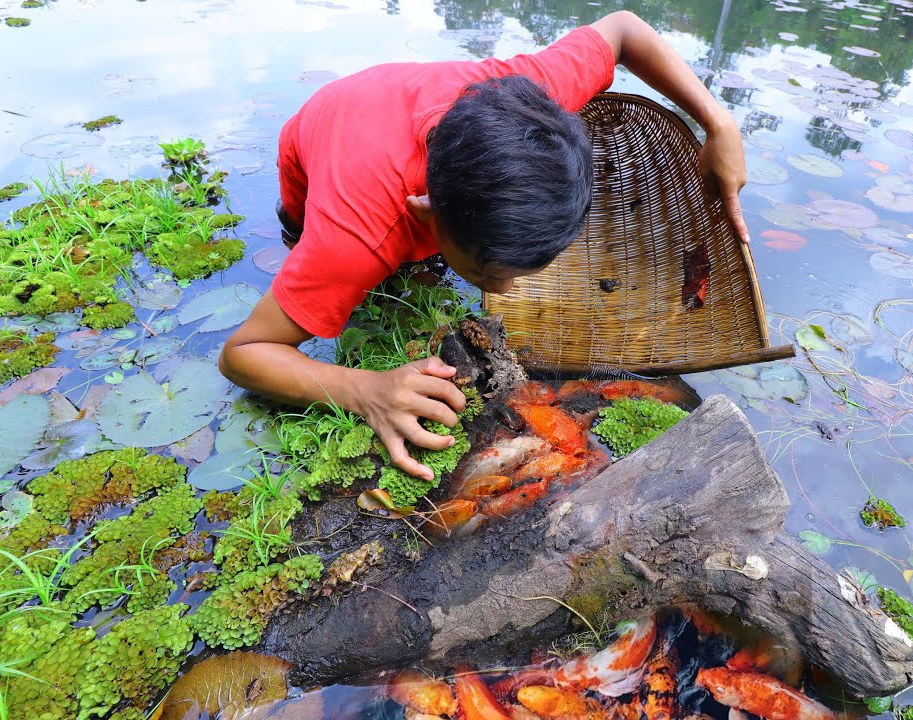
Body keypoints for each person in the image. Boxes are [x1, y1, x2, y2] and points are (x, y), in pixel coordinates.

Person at [219, 10, 749, 481]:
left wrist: (718, 122)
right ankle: (322, 235)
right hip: (320, 130)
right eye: (491, 271)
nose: (507, 288)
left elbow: (624, 29)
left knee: (412, 278)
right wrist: (366, 391)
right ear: (426, 213)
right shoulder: (354, 233)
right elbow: (243, 355)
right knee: (306, 242)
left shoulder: (536, 98)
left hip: (402, 98)